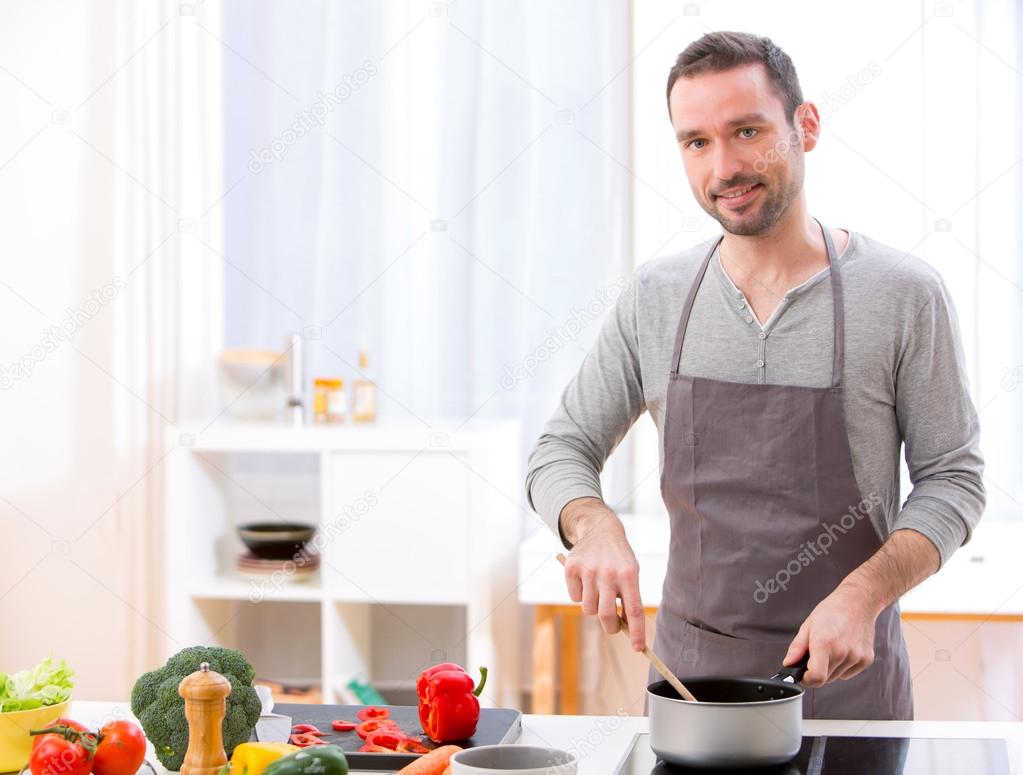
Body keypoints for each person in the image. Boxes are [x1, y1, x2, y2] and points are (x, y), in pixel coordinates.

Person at [524, 30, 985, 719]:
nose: (724, 166)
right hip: (690, 692)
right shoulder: (656, 296)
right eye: (696, 141)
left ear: (805, 126)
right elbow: (559, 450)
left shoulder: (901, 295)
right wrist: (590, 524)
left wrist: (862, 595)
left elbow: (954, 479)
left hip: (847, 691)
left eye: (746, 130)